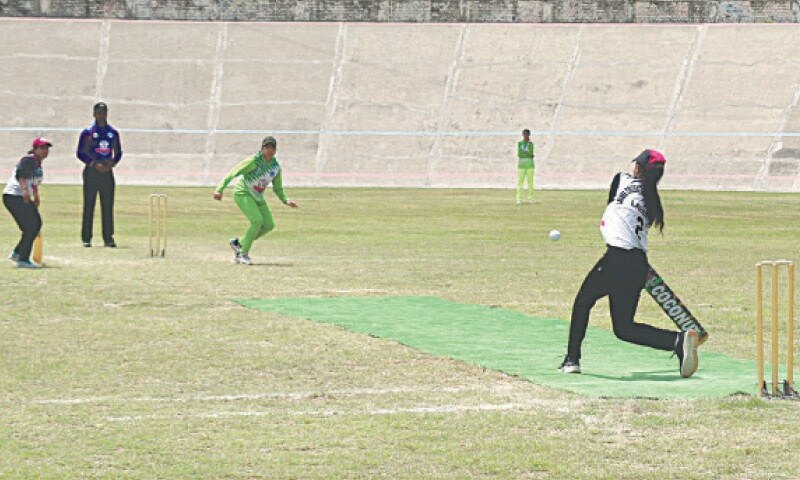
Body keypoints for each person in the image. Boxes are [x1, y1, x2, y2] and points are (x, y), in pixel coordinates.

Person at [558, 149, 700, 378]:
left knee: (583, 302)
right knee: (624, 328)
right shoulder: (653, 202)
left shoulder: (621, 180)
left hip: (617, 258)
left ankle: (572, 359)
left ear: (639, 168)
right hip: (638, 265)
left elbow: (611, 204)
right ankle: (676, 340)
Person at [213, 136, 298, 265]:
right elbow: (233, 172)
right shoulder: (253, 161)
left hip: (257, 196)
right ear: (262, 148)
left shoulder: (275, 167)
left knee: (269, 224)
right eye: (267, 147)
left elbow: (278, 188)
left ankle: (239, 243)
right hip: (243, 192)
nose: (270, 150)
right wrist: (220, 189)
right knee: (257, 220)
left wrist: (285, 200)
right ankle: (242, 254)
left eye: (272, 148)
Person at [76, 102, 122, 248]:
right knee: (89, 204)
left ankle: (108, 238)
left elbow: (119, 152)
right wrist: (93, 163)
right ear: (94, 114)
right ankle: (86, 238)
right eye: (99, 112)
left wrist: (112, 163)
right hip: (92, 172)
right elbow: (79, 152)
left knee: (107, 205)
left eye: (104, 112)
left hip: (107, 172)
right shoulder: (88, 132)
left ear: (107, 113)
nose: (102, 115)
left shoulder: (112, 133)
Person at [3, 138, 50, 268]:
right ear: (35, 149)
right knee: (33, 225)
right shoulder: (29, 159)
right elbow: (21, 175)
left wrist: (35, 196)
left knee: (33, 226)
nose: (45, 151)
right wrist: (24, 191)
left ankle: (18, 253)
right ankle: (22, 259)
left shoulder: (37, 163)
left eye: (46, 148)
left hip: (21, 197)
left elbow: (33, 183)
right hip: (15, 196)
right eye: (42, 148)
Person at [516, 129, 535, 204]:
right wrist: (528, 154)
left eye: (527, 134)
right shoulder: (520, 143)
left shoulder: (531, 144)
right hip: (521, 165)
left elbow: (531, 153)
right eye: (524, 134)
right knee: (520, 183)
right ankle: (519, 199)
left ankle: (531, 199)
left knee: (530, 183)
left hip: (530, 165)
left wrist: (526, 153)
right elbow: (519, 154)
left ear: (529, 134)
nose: (526, 135)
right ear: (522, 134)